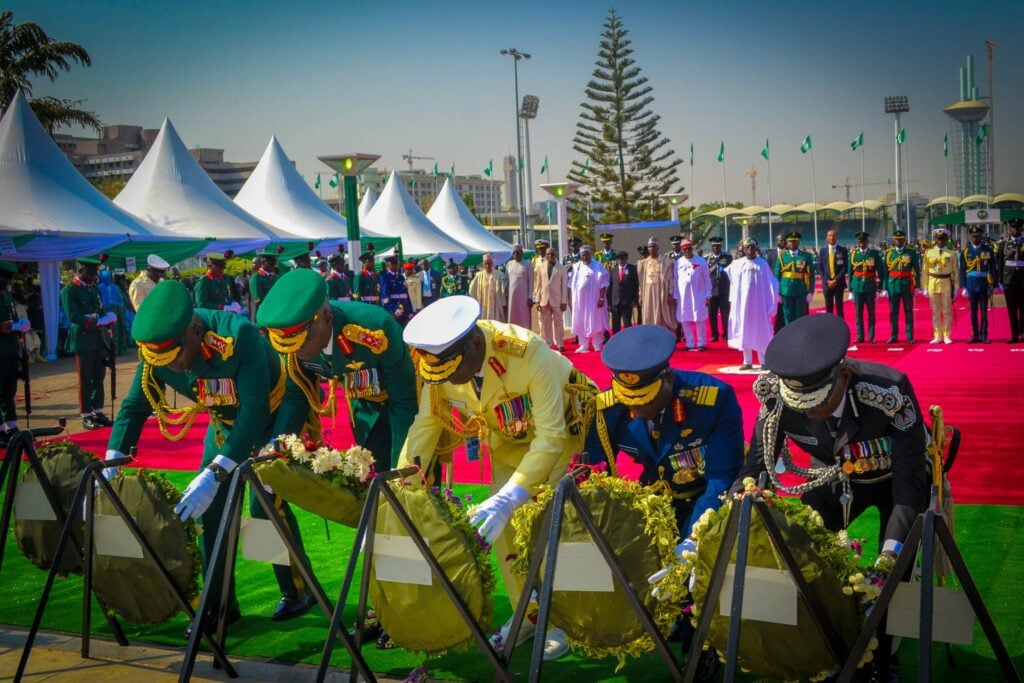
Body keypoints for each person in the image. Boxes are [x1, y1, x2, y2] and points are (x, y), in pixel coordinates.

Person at [398, 295, 599, 661]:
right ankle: (529, 615)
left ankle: (569, 619)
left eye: (452, 370)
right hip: (508, 444)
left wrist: (513, 496)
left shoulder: (526, 351)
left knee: (554, 524)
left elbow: (552, 435)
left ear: (476, 343)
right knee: (504, 532)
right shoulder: (440, 365)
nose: (448, 380)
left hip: (568, 438)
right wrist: (400, 488)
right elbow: (425, 427)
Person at [106, 281, 316, 629]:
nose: (173, 366)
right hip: (225, 423)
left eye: (176, 355)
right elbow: (133, 407)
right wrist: (110, 465)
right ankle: (218, 605)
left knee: (263, 508)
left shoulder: (238, 336)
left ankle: (297, 590)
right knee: (211, 511)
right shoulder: (158, 350)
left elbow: (254, 410)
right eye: (164, 359)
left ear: (194, 329)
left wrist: (218, 472)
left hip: (274, 417)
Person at [735, 313, 929, 681]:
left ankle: (884, 656)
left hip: (894, 482)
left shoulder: (889, 391)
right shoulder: (778, 396)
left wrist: (889, 555)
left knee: (896, 568)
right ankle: (823, 635)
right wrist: (732, 514)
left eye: (818, 402)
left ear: (843, 375)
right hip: (831, 479)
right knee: (803, 554)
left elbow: (909, 482)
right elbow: (757, 466)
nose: (808, 410)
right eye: (800, 403)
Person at [582, 323, 743, 563]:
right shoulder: (609, 408)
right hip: (649, 507)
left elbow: (721, 477)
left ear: (669, 377)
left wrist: (693, 538)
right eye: (629, 400)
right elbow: (596, 478)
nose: (636, 408)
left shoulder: (712, 400)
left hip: (703, 502)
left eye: (647, 400)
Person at [256, 268, 418, 475]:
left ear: (327, 317)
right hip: (367, 408)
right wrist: (276, 447)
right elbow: (296, 397)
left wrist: (401, 467)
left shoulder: (374, 330)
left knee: (414, 481)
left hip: (411, 402)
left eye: (302, 340)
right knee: (375, 479)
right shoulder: (297, 346)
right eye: (290, 346)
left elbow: (404, 401)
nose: (297, 350)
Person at [61, 257, 116, 430]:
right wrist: (96, 322)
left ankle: (97, 411)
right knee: (85, 378)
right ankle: (86, 414)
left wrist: (107, 317)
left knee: (99, 376)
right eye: (90, 273)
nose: (93, 276)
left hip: (98, 339)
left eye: (95, 273)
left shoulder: (94, 290)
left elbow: (99, 310)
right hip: (83, 339)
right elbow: (73, 316)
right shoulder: (70, 291)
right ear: (80, 271)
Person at [726, 238, 778, 370]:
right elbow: (730, 276)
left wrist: (770, 304)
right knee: (745, 330)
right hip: (743, 307)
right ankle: (747, 361)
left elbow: (771, 284)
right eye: (747, 247)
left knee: (761, 331)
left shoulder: (762, 264)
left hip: (759, 305)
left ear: (756, 248)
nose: (750, 249)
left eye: (752, 247)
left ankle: (764, 361)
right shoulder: (737, 264)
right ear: (743, 249)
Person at [0, 260, 31, 444]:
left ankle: (11, 426)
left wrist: (21, 324)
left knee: (9, 390)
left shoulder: (7, 297)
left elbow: (14, 317)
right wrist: (12, 326)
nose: (8, 284)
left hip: (11, 350)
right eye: (5, 280)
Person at [881, 230, 921, 343]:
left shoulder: (911, 253)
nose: (898, 241)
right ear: (893, 240)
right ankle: (893, 335)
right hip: (892, 285)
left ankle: (909, 336)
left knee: (908, 310)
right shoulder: (889, 253)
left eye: (900, 239)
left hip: (906, 285)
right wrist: (884, 288)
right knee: (893, 311)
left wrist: (917, 286)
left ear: (904, 240)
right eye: (896, 239)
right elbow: (885, 272)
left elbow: (917, 270)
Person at [922, 227, 959, 345]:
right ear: (935, 239)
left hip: (946, 283)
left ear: (947, 239)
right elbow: (924, 270)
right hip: (933, 282)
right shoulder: (929, 252)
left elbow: (956, 271)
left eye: (943, 239)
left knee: (947, 310)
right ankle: (937, 335)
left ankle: (947, 335)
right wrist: (924, 287)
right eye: (938, 239)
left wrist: (957, 286)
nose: (940, 241)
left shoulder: (952, 253)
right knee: (935, 311)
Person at [568, 244, 608, 353]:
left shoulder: (598, 266)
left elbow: (603, 283)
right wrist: (572, 300)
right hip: (581, 302)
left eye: (587, 255)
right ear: (580, 256)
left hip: (594, 300)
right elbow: (571, 285)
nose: (585, 257)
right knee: (581, 321)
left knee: (596, 320)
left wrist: (601, 298)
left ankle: (597, 344)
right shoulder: (576, 267)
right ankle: (583, 345)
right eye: (583, 255)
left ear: (590, 255)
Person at [673, 239, 711, 351]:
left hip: (699, 295)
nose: (688, 251)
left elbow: (707, 280)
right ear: (682, 250)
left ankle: (701, 343)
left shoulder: (701, 262)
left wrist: (708, 295)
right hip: (683, 297)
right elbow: (675, 281)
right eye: (685, 249)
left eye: (689, 248)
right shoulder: (677, 263)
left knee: (700, 319)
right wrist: (675, 296)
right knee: (684, 319)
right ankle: (689, 343)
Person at [960, 225, 996, 344]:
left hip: (984, 283)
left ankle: (984, 335)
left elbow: (992, 267)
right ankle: (974, 334)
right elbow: (963, 269)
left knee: (984, 311)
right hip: (971, 284)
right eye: (973, 236)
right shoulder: (966, 251)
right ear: (970, 237)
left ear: (981, 236)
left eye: (978, 236)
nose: (975, 238)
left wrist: (993, 285)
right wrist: (963, 286)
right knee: (973, 311)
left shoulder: (987, 250)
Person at [773, 231, 815, 326]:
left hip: (801, 291)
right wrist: (777, 292)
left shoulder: (806, 256)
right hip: (785, 291)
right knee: (788, 316)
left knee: (800, 316)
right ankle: (790, 338)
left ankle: (799, 338)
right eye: (790, 241)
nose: (792, 243)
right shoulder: (782, 256)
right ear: (787, 242)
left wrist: (810, 291)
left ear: (798, 242)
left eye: (795, 241)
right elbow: (777, 275)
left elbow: (811, 274)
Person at [849, 231, 883, 344]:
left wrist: (879, 288)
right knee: (858, 314)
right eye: (860, 241)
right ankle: (860, 336)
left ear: (867, 242)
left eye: (863, 241)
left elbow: (880, 271)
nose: (861, 243)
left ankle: (871, 336)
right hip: (857, 287)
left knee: (871, 313)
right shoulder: (853, 254)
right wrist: (850, 290)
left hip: (870, 287)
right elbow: (850, 273)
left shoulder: (874, 254)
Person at [637, 237, 677, 333]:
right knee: (648, 314)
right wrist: (640, 295)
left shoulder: (666, 261)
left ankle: (664, 336)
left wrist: (670, 294)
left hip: (661, 293)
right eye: (649, 247)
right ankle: (650, 336)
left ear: (658, 247)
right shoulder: (644, 263)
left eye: (653, 247)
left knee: (663, 315)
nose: (651, 249)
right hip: (648, 294)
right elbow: (641, 281)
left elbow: (670, 279)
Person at [534, 247, 568, 351]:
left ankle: (560, 343)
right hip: (545, 300)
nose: (550, 256)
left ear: (556, 255)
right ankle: (549, 343)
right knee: (546, 323)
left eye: (552, 254)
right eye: (548, 254)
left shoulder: (561, 268)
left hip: (557, 300)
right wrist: (537, 300)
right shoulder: (541, 267)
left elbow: (564, 286)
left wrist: (563, 301)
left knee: (558, 322)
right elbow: (539, 284)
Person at [997, 218, 1024, 343]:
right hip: (1009, 280)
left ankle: (1022, 332)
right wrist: (1000, 281)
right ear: (1010, 229)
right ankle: (1014, 334)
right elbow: (1000, 263)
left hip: (1023, 279)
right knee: (1012, 309)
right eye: (1013, 227)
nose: (1016, 229)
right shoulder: (1003, 244)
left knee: (1023, 308)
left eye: (1018, 227)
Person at [817, 227, 849, 319]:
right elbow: (820, 268)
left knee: (839, 307)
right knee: (828, 308)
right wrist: (827, 281)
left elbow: (845, 267)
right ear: (827, 237)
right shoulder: (822, 251)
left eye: (834, 235)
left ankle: (841, 329)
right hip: (827, 285)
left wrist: (836, 280)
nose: (832, 237)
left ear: (837, 237)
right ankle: (830, 329)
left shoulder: (843, 250)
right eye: (830, 236)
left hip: (839, 283)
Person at [707, 236, 732, 342]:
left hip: (724, 288)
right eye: (714, 246)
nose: (716, 248)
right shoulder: (707, 259)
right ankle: (714, 334)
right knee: (712, 313)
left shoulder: (727, 257)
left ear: (720, 246)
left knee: (725, 313)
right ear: (711, 248)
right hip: (712, 289)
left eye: (717, 246)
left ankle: (726, 334)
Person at [607, 250, 639, 334]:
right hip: (615, 303)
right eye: (618, 259)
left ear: (626, 259)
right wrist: (609, 303)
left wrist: (634, 300)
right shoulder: (613, 270)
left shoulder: (632, 269)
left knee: (627, 324)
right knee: (615, 325)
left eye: (622, 258)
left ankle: (628, 341)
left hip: (627, 302)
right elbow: (610, 287)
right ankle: (616, 342)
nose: (620, 260)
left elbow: (636, 286)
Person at [468, 253, 506, 322]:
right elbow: (472, 290)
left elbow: (503, 292)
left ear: (492, 264)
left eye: (489, 263)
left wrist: (504, 304)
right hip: (483, 307)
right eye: (486, 264)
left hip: (496, 308)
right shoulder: (479, 276)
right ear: (483, 264)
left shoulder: (499, 275)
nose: (488, 265)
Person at [505, 244, 534, 330]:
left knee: (524, 318)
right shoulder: (509, 264)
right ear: (512, 254)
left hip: (524, 298)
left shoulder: (527, 264)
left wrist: (530, 297)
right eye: (514, 253)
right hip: (511, 298)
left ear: (522, 253)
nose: (516, 254)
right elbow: (506, 280)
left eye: (518, 252)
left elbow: (531, 281)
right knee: (512, 317)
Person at [764, 233, 787, 333]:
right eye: (780, 240)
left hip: (786, 285)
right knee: (775, 308)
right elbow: (768, 269)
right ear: (776, 241)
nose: (782, 242)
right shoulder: (771, 254)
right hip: (774, 286)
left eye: (783, 240)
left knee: (786, 308)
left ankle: (786, 328)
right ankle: (776, 330)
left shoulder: (789, 253)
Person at [249, 247, 281, 319]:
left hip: (274, 313)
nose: (274, 264)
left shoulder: (275, 276)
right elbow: (257, 300)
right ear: (263, 262)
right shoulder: (256, 277)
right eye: (272, 262)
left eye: (275, 261)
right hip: (262, 314)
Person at [379, 255, 411, 325]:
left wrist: (409, 309)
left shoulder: (401, 276)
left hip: (404, 306)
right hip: (394, 307)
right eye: (393, 264)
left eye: (397, 264)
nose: (396, 266)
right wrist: (394, 309)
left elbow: (406, 294)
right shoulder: (384, 277)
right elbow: (385, 296)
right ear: (388, 265)